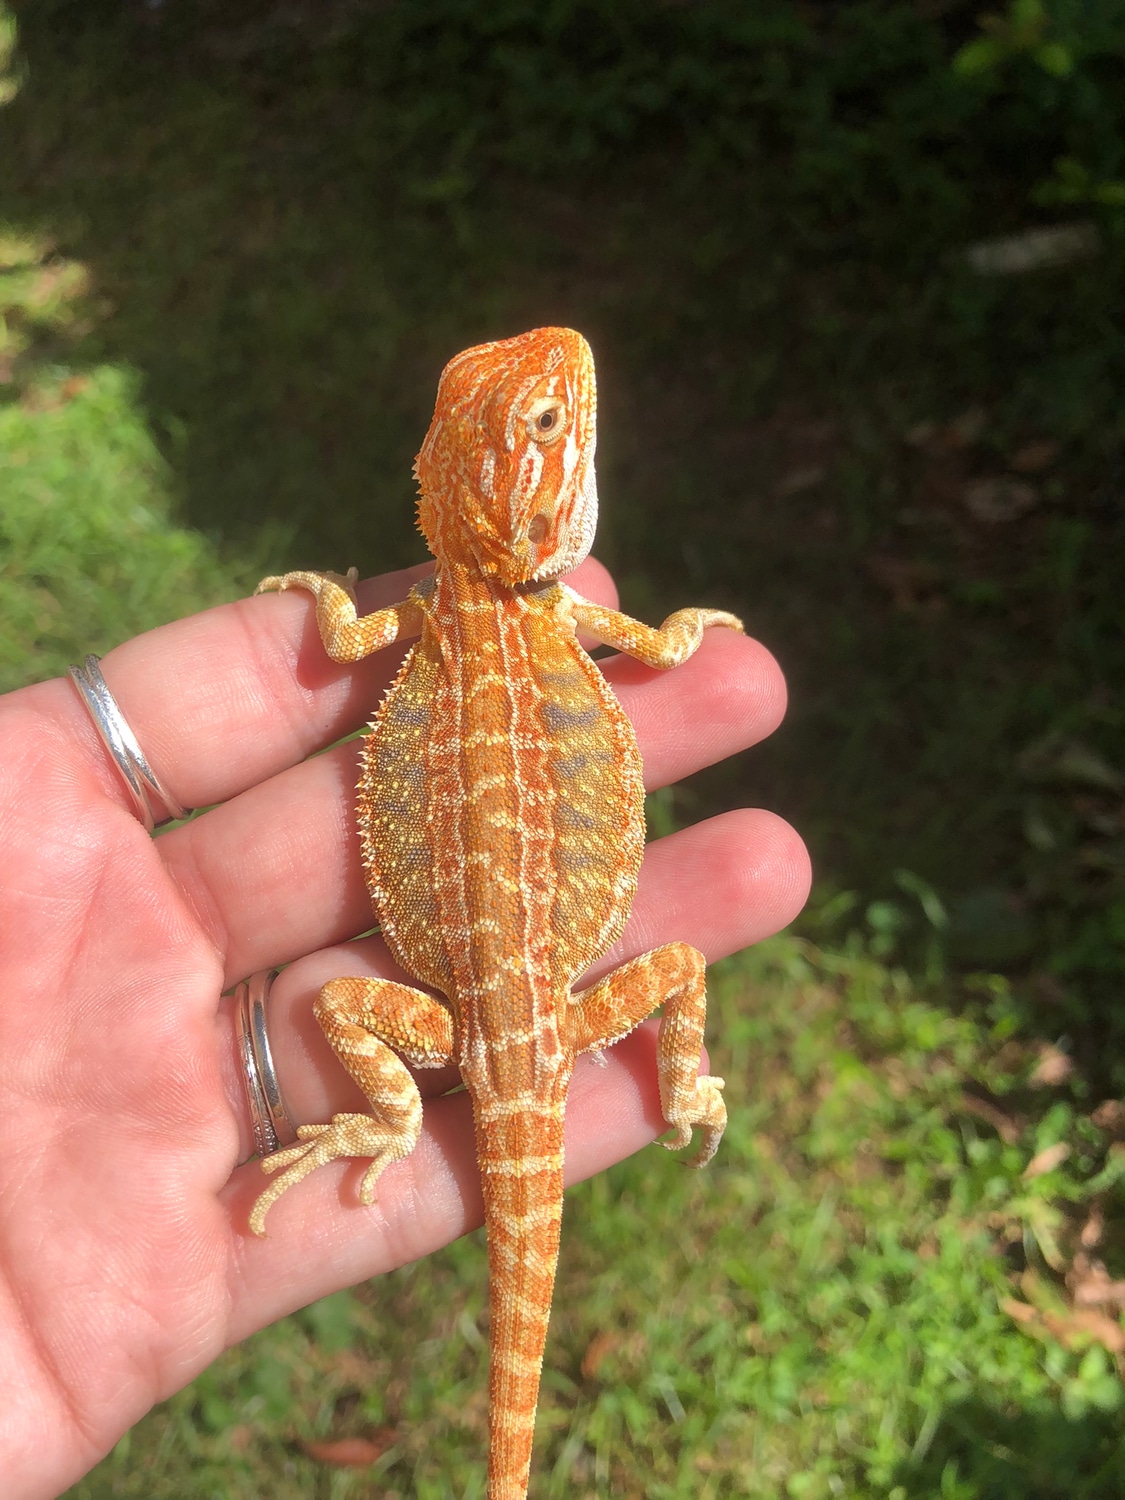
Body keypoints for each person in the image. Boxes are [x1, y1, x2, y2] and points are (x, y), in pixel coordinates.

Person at [0, 554, 809, 1499]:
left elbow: (345, 638)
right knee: (671, 967)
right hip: (535, 1007)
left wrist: (330, 602)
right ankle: (676, 1091)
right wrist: (679, 637)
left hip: (472, 1014)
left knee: (352, 1003)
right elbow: (660, 646)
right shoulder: (520, 611)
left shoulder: (470, 611)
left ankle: (402, 1118)